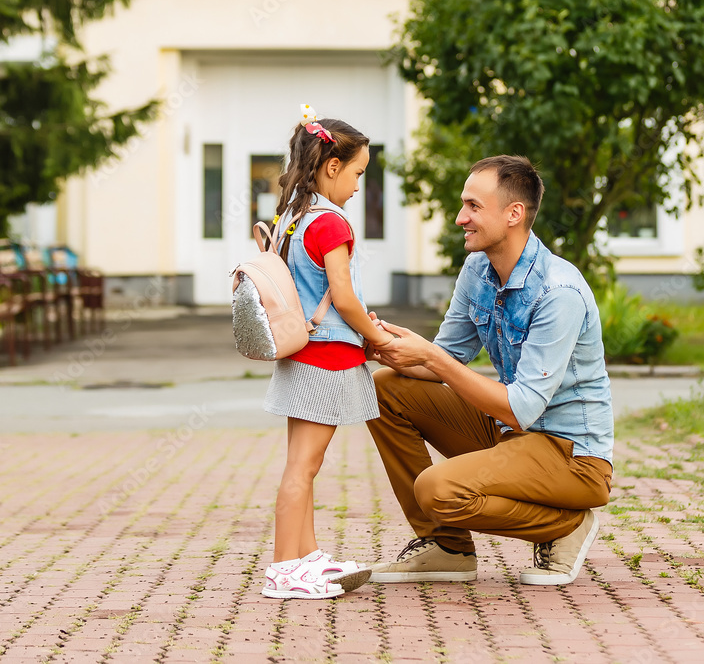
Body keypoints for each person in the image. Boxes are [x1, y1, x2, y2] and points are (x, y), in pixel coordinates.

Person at [364, 155, 613, 586]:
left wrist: (433, 358)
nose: (461, 218)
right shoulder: (479, 268)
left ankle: (567, 525)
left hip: (571, 455)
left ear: (513, 214)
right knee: (386, 388)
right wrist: (383, 345)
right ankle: (447, 548)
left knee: (437, 489)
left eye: (473, 206)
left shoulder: (559, 293)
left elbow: (521, 409)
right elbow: (445, 356)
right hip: (509, 433)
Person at [260, 106, 397, 599]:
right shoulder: (331, 223)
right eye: (358, 173)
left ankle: (307, 557)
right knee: (303, 467)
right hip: (328, 357)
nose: (359, 186)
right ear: (332, 166)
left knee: (303, 464)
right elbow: (343, 297)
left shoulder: (295, 216)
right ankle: (282, 570)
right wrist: (376, 335)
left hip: (302, 354)